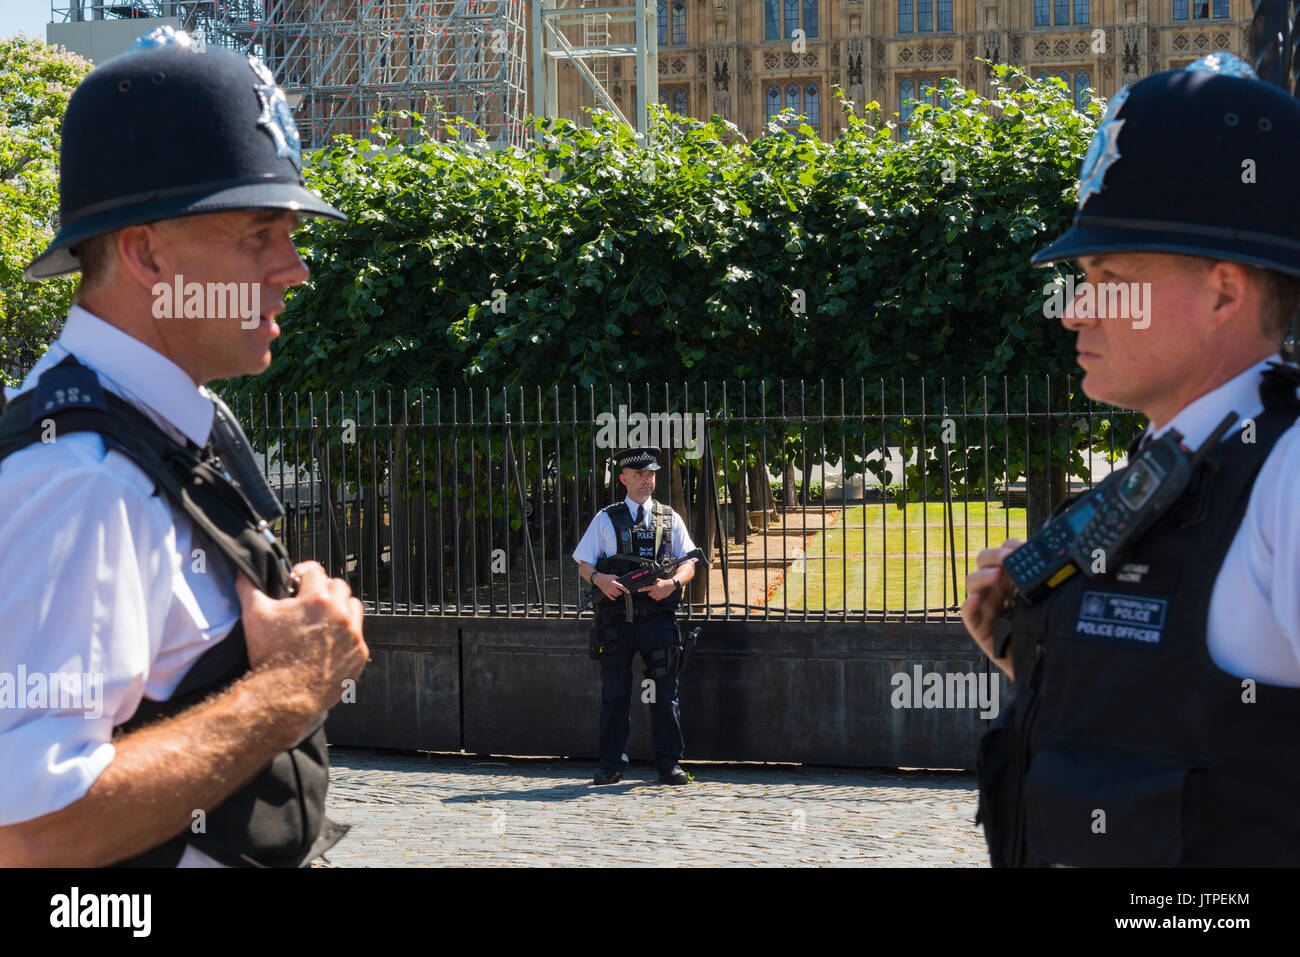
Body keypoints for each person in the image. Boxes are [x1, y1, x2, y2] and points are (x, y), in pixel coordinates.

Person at [0, 28, 368, 867]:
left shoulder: (160, 423)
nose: (295, 267)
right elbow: (30, 835)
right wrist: (289, 686)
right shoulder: (79, 479)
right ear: (146, 252)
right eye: (257, 234)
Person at [961, 53, 1300, 867]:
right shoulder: (1178, 465)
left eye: (1110, 277)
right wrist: (1032, 652)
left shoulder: (1287, 477)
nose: (1077, 310)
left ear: (1224, 292)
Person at [573, 447, 699, 785]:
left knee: (664, 692)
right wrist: (599, 579)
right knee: (614, 692)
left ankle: (668, 763)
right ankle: (611, 764)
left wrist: (671, 583)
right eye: (640, 475)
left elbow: (689, 562)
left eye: (651, 474)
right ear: (624, 479)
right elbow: (584, 562)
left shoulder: (670, 517)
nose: (647, 480)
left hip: (658, 618)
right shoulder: (605, 518)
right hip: (616, 620)